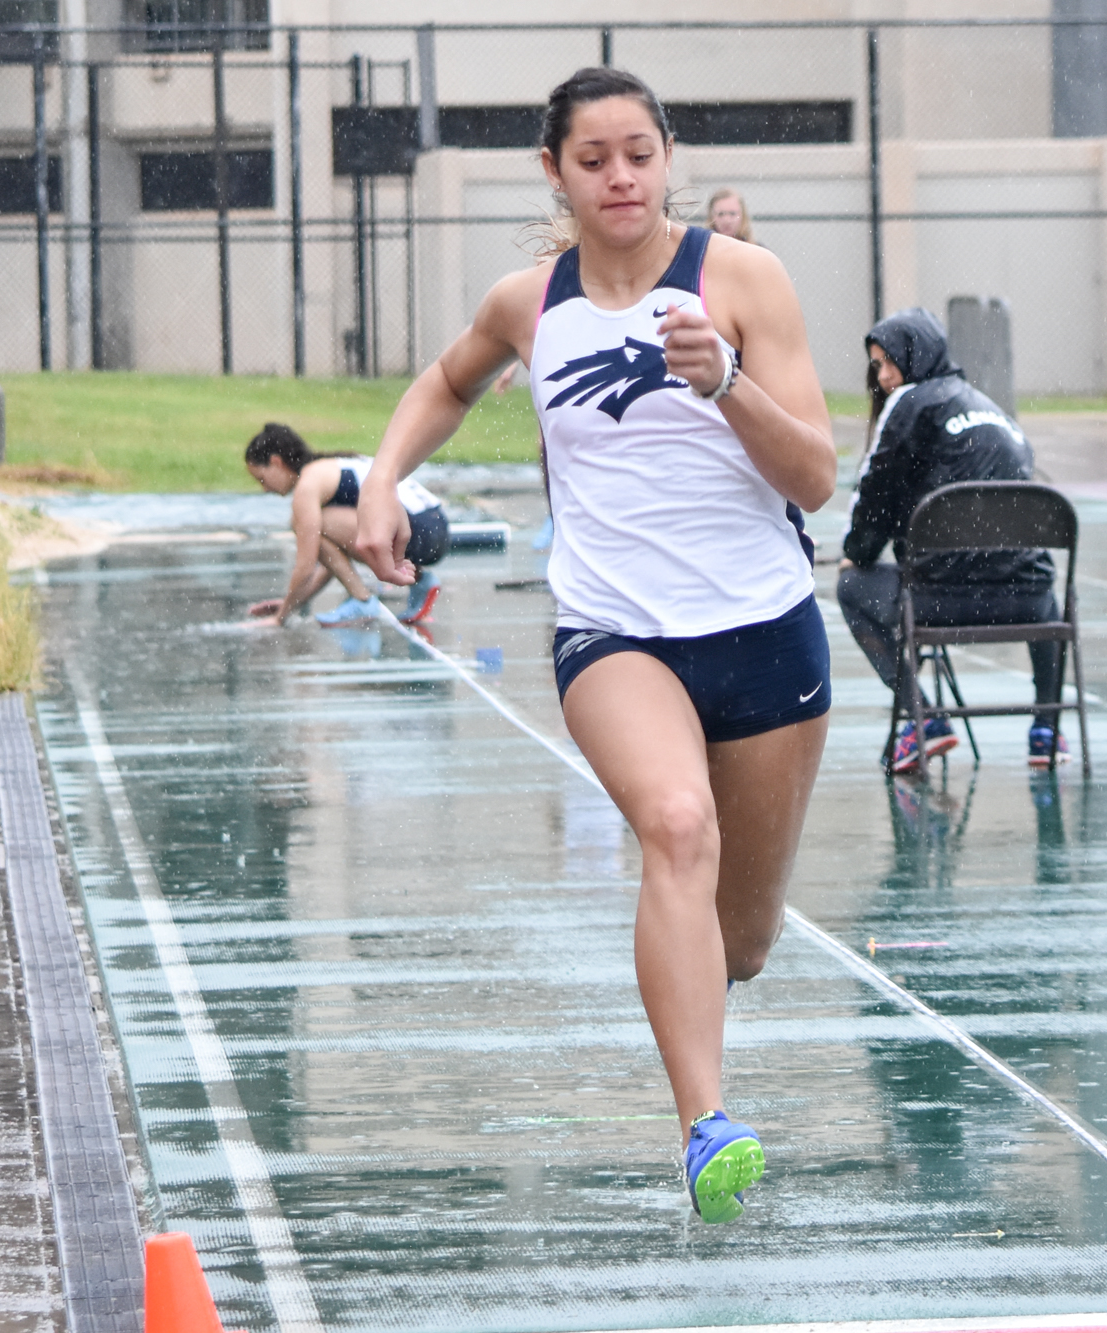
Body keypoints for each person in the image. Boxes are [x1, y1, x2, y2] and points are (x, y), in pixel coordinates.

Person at [351, 67, 835, 1226]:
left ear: (667, 155)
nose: (618, 177)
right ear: (554, 171)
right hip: (614, 633)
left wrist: (727, 385)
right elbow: (447, 379)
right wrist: (379, 478)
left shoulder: (744, 281)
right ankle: (705, 1126)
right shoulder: (531, 302)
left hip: (765, 633)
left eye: (637, 153)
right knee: (674, 827)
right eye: (592, 158)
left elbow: (816, 472)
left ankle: (706, 1014)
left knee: (743, 941)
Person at [835, 308, 1067, 774]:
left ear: (913, 357)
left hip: (939, 605)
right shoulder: (995, 410)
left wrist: (855, 554)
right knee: (1047, 588)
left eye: (886, 363)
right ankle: (1046, 726)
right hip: (1029, 605)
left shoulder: (908, 404)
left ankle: (926, 719)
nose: (881, 377)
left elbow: (875, 495)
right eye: (876, 366)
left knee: (851, 588)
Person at [242, 423, 447, 627]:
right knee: (321, 528)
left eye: (262, 479)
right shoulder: (333, 464)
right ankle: (419, 581)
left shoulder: (308, 485)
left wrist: (280, 619)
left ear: (276, 462)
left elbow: (305, 565)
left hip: (418, 531)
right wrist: (291, 603)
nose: (265, 489)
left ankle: (363, 601)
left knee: (307, 524)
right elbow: (334, 561)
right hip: (437, 529)